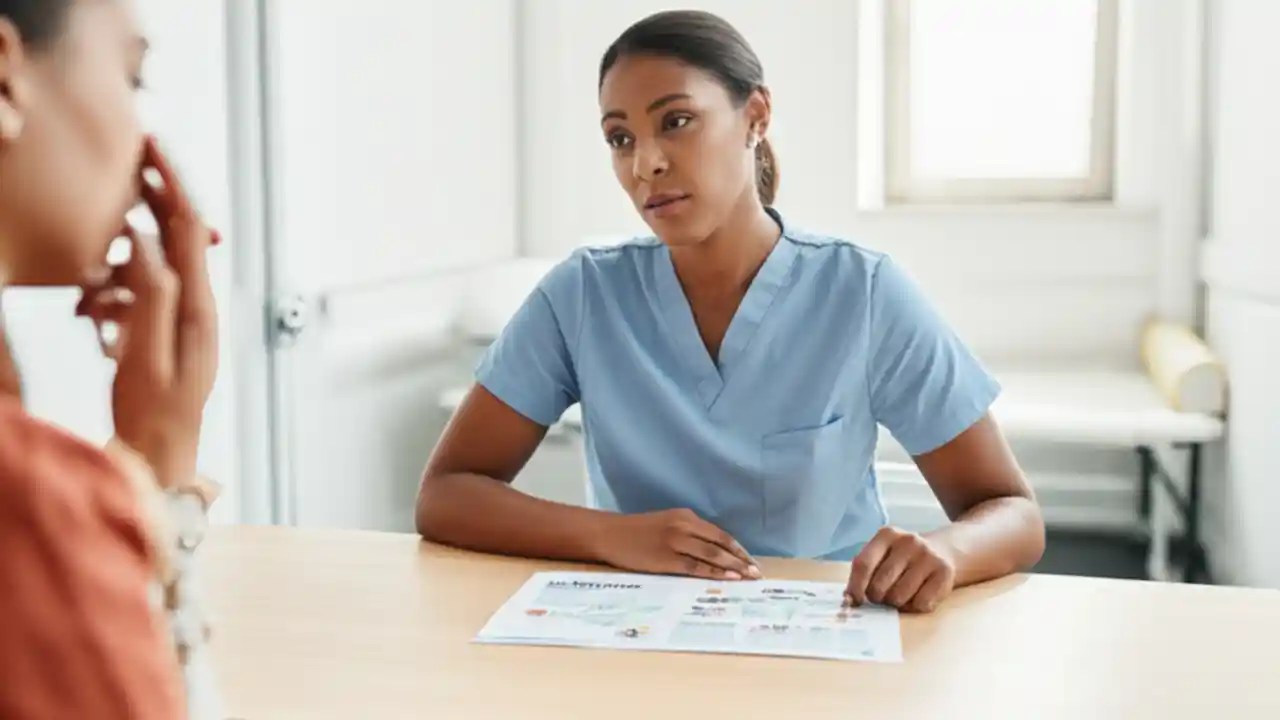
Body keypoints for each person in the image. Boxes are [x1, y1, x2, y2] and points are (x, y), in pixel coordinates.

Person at [417, 10, 1045, 613]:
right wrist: (611, 535)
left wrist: (947, 551)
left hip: (825, 635)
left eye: (678, 121)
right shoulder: (581, 295)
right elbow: (447, 495)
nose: (646, 164)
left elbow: (1012, 512)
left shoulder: (863, 291)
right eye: (620, 138)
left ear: (756, 117)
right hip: (641, 636)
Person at [0, 1, 221, 717]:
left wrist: (152, 459)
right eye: (132, 76)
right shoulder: (31, 498)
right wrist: (151, 497)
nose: (144, 143)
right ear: (5, 79)